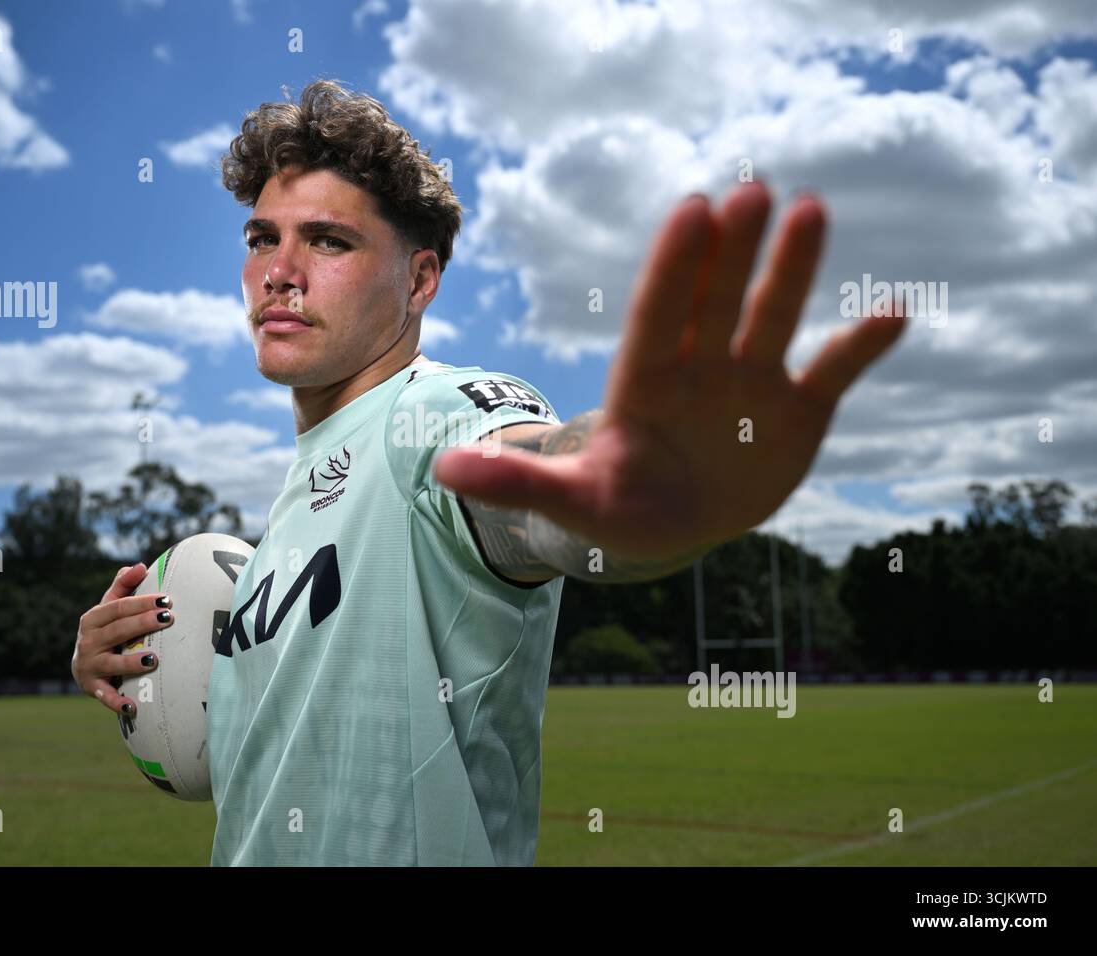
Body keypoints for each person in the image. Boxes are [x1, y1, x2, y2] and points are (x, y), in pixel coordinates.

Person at [71, 79, 906, 865]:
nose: (279, 272)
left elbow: (527, 487)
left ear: (420, 278)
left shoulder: (428, 415)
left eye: (329, 240)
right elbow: (254, 753)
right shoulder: (299, 498)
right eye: (263, 238)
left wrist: (631, 494)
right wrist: (126, 673)